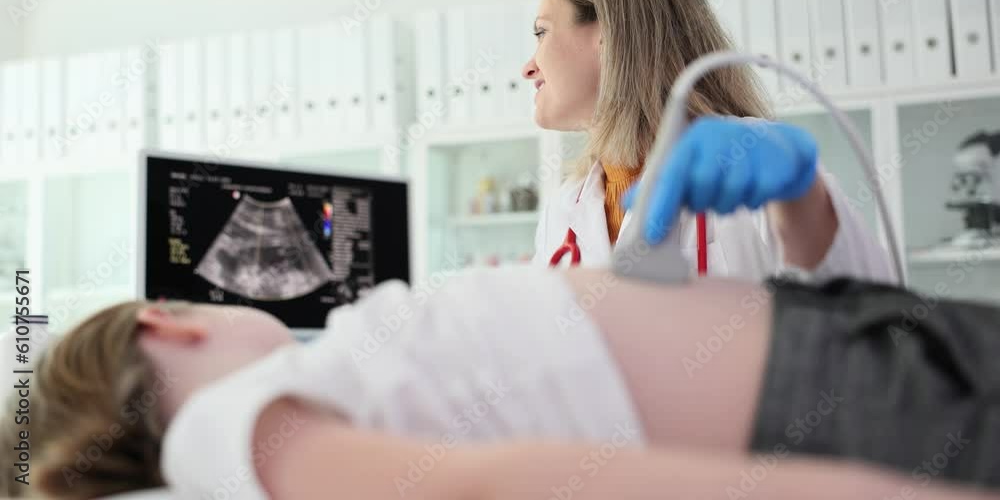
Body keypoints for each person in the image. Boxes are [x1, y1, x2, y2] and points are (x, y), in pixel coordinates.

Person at [4, 266, 999, 499]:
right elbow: (497, 480)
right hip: (861, 411)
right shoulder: (212, 433)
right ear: (162, 320)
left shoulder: (315, 385)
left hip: (853, 354)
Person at [525, 0, 894, 283]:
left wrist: (805, 202)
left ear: (608, 36)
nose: (528, 68)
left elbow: (867, 317)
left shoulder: (749, 163)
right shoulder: (560, 216)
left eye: (541, 33)